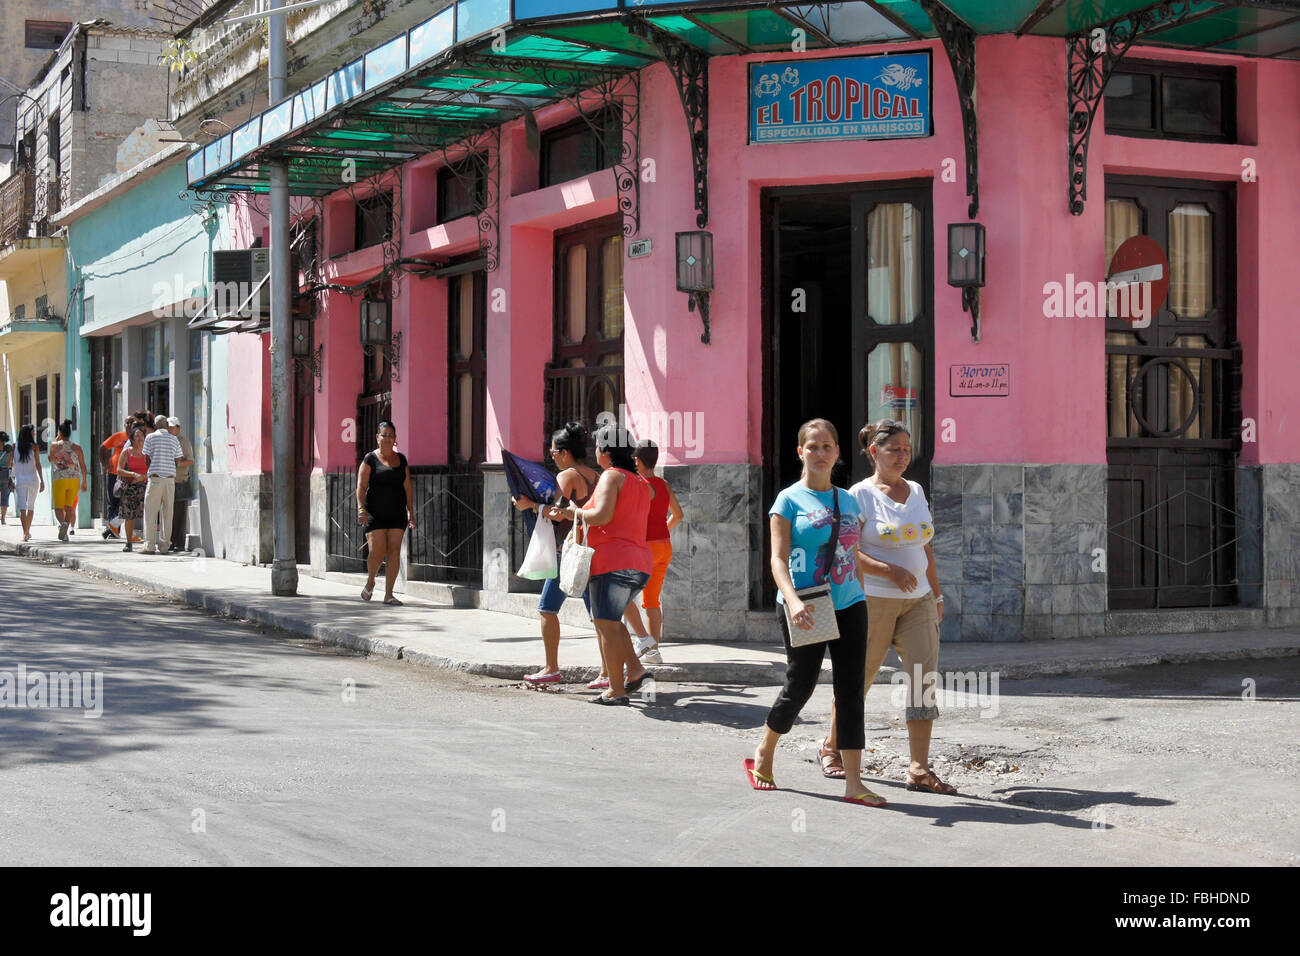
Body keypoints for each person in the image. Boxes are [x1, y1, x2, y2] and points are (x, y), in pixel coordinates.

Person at [746, 419, 884, 806]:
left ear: (838, 452)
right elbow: (776, 560)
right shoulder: (788, 500)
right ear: (800, 452)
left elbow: (851, 553)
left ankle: (854, 782)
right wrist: (792, 600)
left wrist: (863, 588)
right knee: (800, 685)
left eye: (827, 446)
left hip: (849, 603)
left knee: (851, 690)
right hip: (805, 604)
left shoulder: (849, 500)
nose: (821, 453)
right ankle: (765, 749)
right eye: (813, 447)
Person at [820, 419, 955, 795]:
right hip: (872, 601)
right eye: (894, 449)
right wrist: (888, 570)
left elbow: (924, 545)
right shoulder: (858, 495)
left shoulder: (916, 490)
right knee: (857, 680)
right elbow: (846, 548)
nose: (902, 456)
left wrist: (938, 593)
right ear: (873, 452)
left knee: (923, 682)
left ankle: (919, 768)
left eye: (906, 449)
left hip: (920, 602)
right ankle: (831, 747)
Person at [564, 424, 653, 705]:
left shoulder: (611, 476)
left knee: (605, 626)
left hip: (611, 562)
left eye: (598, 448)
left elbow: (601, 516)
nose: (596, 453)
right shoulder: (641, 483)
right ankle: (636, 671)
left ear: (606, 451)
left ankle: (616, 690)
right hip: (639, 563)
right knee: (614, 622)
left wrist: (574, 513)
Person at [513, 421, 599, 684]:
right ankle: (608, 671)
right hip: (591, 550)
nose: (551, 457)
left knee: (547, 609)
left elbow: (557, 514)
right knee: (599, 616)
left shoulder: (567, 476)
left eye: (552, 452)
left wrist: (530, 505)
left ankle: (552, 668)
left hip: (568, 551)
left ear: (564, 452)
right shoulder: (595, 475)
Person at [623, 440, 683, 665]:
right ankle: (653, 652)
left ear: (637, 460)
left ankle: (643, 641)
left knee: (625, 597)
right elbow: (678, 515)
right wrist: (661, 532)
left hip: (644, 547)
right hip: (664, 547)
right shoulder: (664, 484)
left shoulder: (638, 484)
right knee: (652, 601)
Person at [356, 421, 415, 605]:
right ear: (377, 437)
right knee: (376, 551)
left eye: (391, 435)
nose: (388, 438)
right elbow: (361, 486)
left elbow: (408, 488)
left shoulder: (402, 460)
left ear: (395, 438)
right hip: (375, 513)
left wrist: (411, 512)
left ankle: (389, 594)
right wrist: (361, 509)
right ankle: (371, 581)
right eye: (384, 435)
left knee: (394, 552)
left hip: (397, 513)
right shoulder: (370, 459)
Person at [140, 414, 185, 554]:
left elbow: (146, 457)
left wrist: (153, 467)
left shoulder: (150, 437)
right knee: (168, 512)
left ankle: (149, 546)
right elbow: (178, 458)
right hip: (170, 479)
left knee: (150, 512)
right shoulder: (174, 439)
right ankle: (165, 546)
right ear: (166, 425)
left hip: (155, 478)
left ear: (155, 425)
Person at [48, 420, 88, 542]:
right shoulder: (77, 448)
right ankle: (65, 529)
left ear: (59, 432)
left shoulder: (54, 446)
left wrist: (56, 440)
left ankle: (63, 525)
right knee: (69, 507)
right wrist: (84, 481)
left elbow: (51, 459)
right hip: (74, 480)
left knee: (58, 507)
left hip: (60, 479)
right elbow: (83, 466)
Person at [100, 415, 134, 539]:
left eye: (131, 422)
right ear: (124, 425)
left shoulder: (137, 437)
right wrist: (104, 464)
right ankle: (114, 531)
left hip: (126, 474)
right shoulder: (118, 436)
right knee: (112, 502)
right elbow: (102, 448)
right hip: (113, 473)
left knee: (122, 502)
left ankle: (111, 528)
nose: (129, 425)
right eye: (127, 423)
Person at [116, 426, 148, 551]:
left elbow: (153, 469)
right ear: (132, 439)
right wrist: (133, 474)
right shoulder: (127, 452)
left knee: (148, 514)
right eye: (137, 436)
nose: (140, 438)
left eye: (142, 435)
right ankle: (129, 542)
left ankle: (148, 542)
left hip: (145, 486)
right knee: (129, 516)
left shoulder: (148, 452)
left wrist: (143, 477)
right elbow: (119, 470)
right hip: (129, 488)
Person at [168, 417, 197, 552]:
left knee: (179, 514)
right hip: (167, 481)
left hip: (179, 481)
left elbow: (190, 460)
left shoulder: (183, 442)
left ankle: (179, 543)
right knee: (168, 513)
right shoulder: (166, 441)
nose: (170, 429)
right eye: (169, 427)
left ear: (178, 428)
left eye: (173, 427)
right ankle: (169, 541)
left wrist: (178, 464)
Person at [11, 424, 44, 542]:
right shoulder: (35, 447)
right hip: (33, 480)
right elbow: (38, 464)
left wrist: (11, 478)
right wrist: (42, 480)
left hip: (20, 480)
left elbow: (10, 464)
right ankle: (27, 532)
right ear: (29, 434)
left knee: (22, 508)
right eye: (33, 432)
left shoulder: (14, 447)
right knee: (30, 507)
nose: (34, 433)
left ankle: (25, 533)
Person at [0, 431, 12, 526]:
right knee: (5, 497)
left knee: (4, 497)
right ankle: (3, 519)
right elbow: (10, 464)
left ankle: (3, 518)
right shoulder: (9, 450)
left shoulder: (8, 450)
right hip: (6, 474)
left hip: (4, 474)